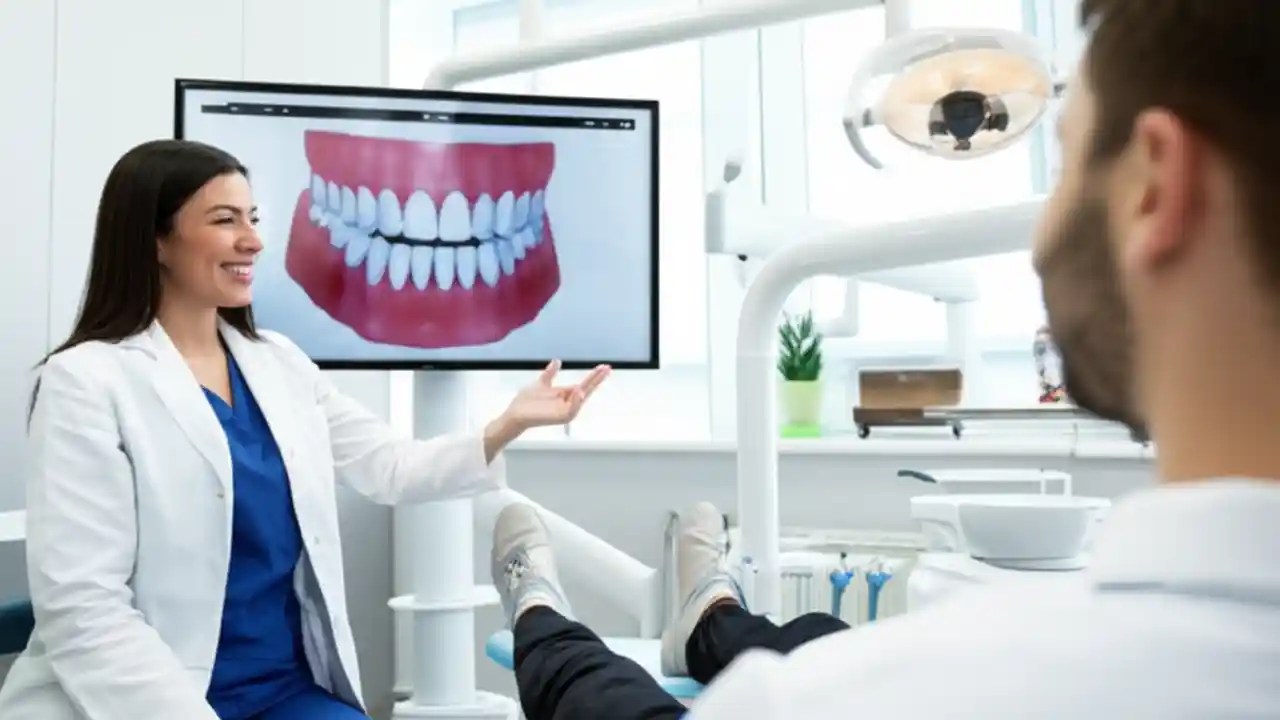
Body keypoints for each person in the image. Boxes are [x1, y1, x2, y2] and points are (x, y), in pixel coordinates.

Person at [487, 0, 1280, 717]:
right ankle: (713, 620)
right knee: (825, 636)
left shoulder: (837, 700)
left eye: (1067, 156)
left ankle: (539, 615)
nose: (1041, 238)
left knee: (605, 696)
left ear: (1154, 186)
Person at [0, 139, 610, 720]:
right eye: (224, 220)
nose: (253, 240)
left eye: (254, 217)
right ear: (157, 240)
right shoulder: (85, 382)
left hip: (281, 689)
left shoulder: (278, 362)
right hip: (144, 698)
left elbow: (390, 466)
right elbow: (84, 608)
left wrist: (508, 423)